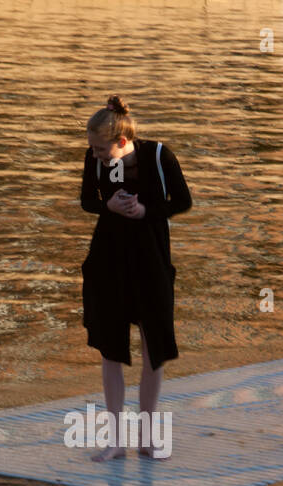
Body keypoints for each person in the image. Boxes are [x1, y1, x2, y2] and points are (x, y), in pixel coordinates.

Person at [80, 94, 192, 461]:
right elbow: (87, 200)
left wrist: (145, 210)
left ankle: (146, 437)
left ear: (122, 142)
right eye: (92, 149)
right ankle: (114, 440)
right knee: (111, 349)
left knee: (152, 348)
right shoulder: (95, 159)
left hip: (151, 260)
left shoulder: (159, 156)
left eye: (99, 149)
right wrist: (107, 206)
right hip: (108, 260)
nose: (94, 154)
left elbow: (182, 201)